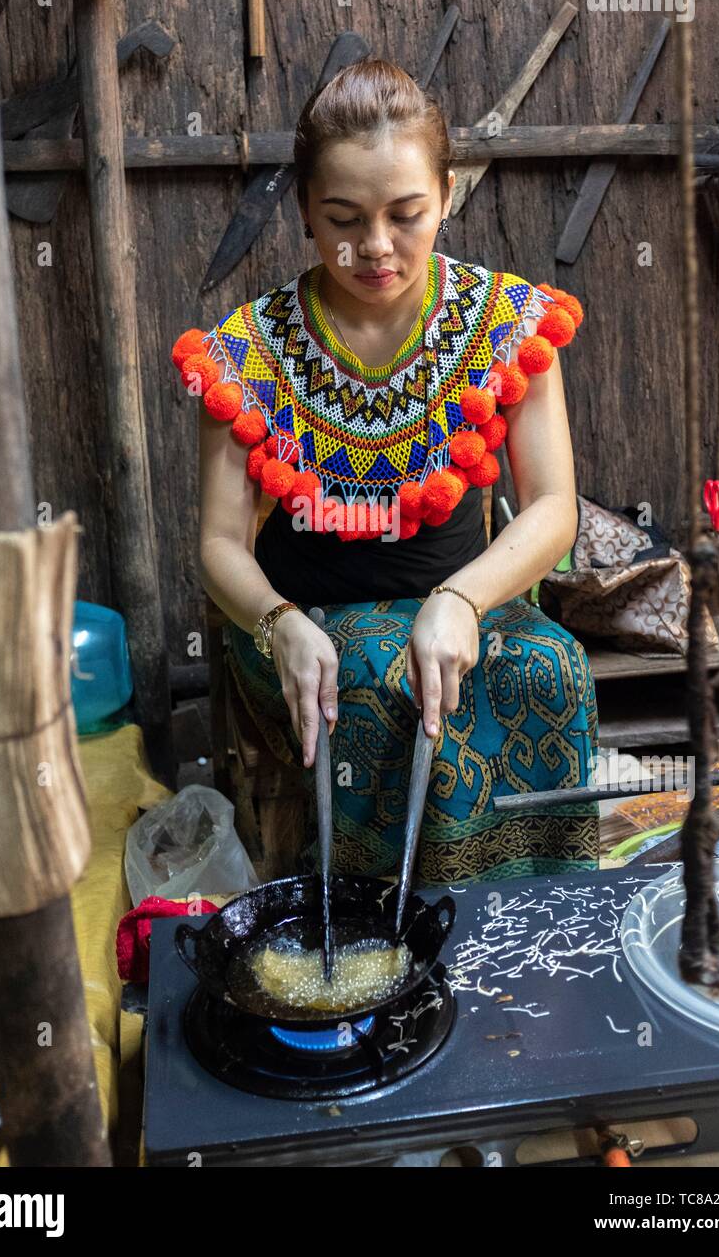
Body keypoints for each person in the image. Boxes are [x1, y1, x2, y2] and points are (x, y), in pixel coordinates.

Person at [171, 58, 598, 885]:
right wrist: (277, 621)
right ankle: (380, 922)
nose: (374, 248)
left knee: (549, 667)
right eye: (343, 218)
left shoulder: (507, 325)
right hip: (302, 619)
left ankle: (529, 916)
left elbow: (553, 508)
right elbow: (220, 545)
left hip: (468, 601)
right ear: (303, 210)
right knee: (371, 681)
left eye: (407, 215)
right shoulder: (246, 350)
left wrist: (461, 599)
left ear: (445, 193)